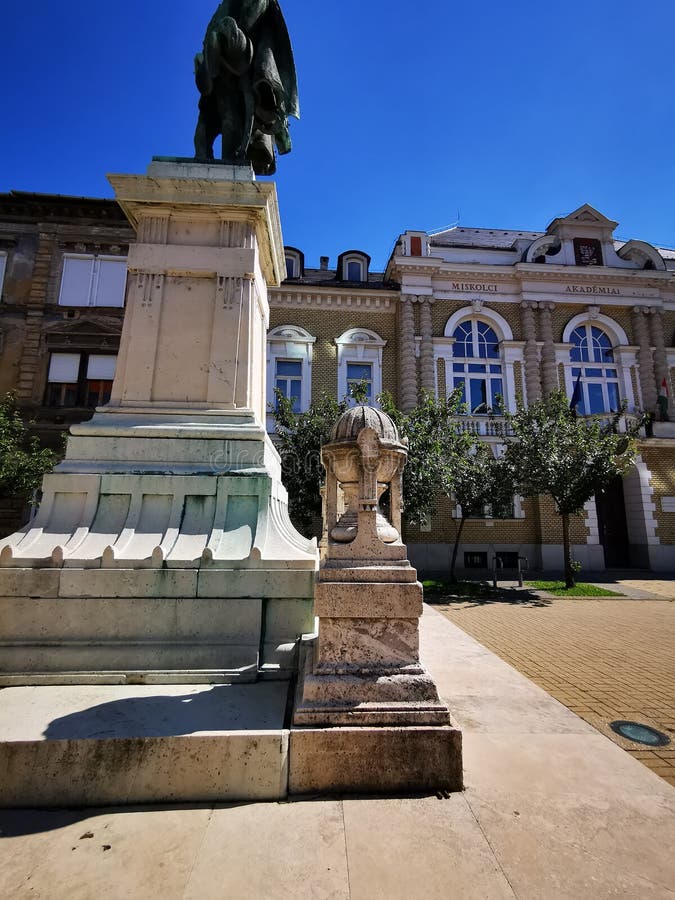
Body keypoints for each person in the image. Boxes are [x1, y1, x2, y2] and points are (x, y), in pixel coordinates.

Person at [194, 0, 300, 175]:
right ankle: (217, 166)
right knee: (210, 129)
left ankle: (275, 122)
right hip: (223, 74)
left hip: (246, 71)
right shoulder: (225, 6)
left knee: (230, 121)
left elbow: (248, 23)